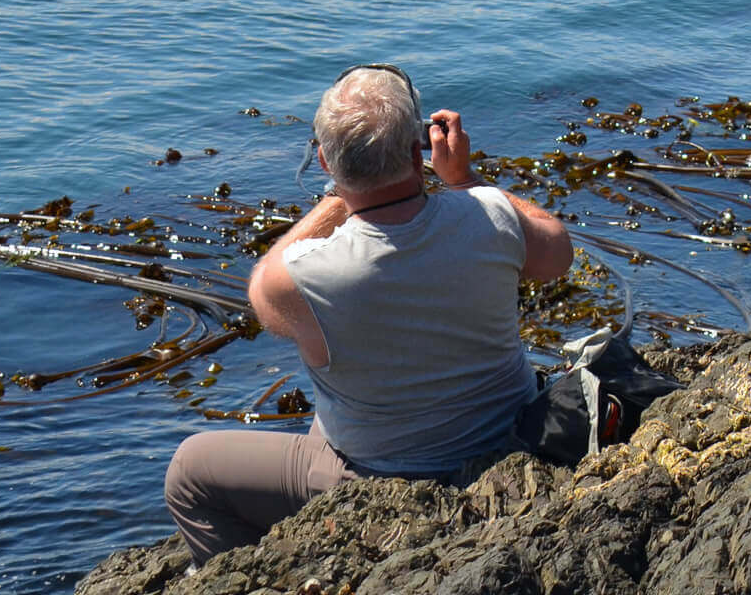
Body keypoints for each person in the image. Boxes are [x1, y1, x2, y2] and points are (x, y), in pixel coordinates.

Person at [163, 64, 573, 566]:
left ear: (323, 160)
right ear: (418, 152)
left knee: (189, 470)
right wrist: (463, 179)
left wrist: (340, 195)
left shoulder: (304, 275)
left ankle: (256, 573)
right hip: (509, 441)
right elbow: (558, 250)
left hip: (384, 477)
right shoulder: (488, 214)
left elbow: (262, 285)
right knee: (325, 421)